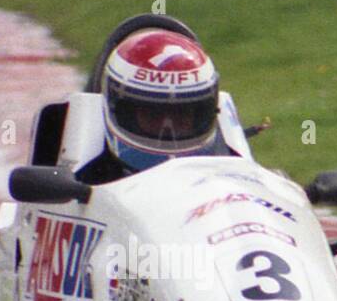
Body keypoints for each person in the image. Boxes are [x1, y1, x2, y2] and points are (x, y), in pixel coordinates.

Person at [76, 28, 232, 184]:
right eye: (154, 115)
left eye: (182, 114)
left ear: (204, 114)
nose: (168, 127)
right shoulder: (84, 173)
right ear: (123, 112)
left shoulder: (229, 165)